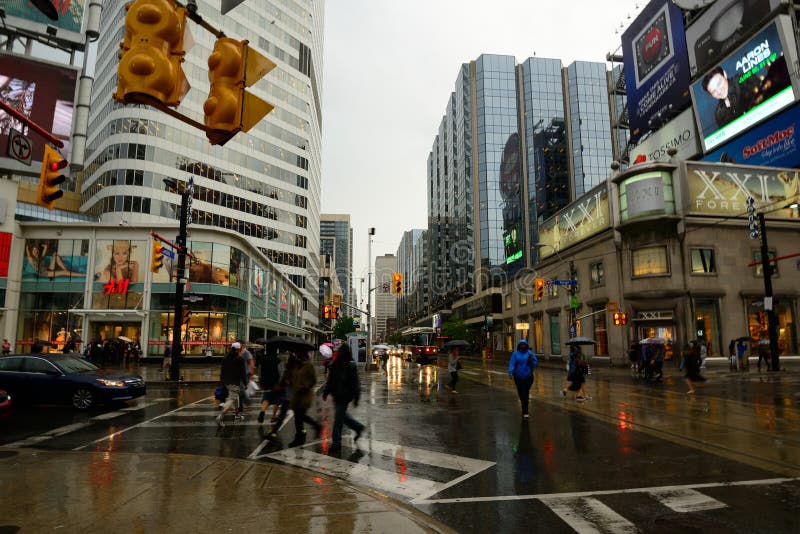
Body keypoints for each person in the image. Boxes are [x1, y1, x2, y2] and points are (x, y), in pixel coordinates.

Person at [322, 344, 364, 451]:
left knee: (338, 420)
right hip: (338, 395)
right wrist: (326, 391)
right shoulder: (337, 364)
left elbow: (354, 383)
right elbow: (331, 380)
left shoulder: (350, 365)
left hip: (344, 396)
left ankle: (336, 443)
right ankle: (358, 427)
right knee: (342, 416)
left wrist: (356, 397)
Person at [288, 349, 322, 447]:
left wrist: (305, 386)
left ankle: (299, 438)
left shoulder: (309, 365)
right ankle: (303, 434)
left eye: (298, 353)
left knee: (299, 416)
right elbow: (292, 377)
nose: (297, 354)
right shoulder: (296, 365)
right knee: (298, 417)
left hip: (304, 395)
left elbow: (313, 380)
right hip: (295, 394)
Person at [216, 342, 247, 427]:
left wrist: (222, 380)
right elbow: (243, 373)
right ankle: (221, 416)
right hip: (235, 383)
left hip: (226, 382)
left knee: (235, 397)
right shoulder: (240, 359)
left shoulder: (225, 358)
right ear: (238, 349)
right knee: (231, 399)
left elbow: (222, 370)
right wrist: (245, 383)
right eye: (240, 349)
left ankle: (237, 414)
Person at [508, 340, 537, 418]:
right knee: (521, 393)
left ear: (526, 345)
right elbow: (512, 363)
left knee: (525, 393)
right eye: (521, 344)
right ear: (519, 345)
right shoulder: (515, 354)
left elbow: (535, 363)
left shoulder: (530, 353)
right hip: (518, 377)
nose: (523, 346)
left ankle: (525, 411)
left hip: (528, 377)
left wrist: (531, 361)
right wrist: (510, 372)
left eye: (524, 344)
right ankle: (523, 405)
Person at [256, 347, 282, 424]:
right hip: (275, 383)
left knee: (266, 398)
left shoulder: (262, 360)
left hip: (265, 383)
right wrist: (281, 383)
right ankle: (273, 417)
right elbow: (281, 372)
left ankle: (262, 411)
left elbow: (259, 372)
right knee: (278, 400)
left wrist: (260, 382)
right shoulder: (278, 361)